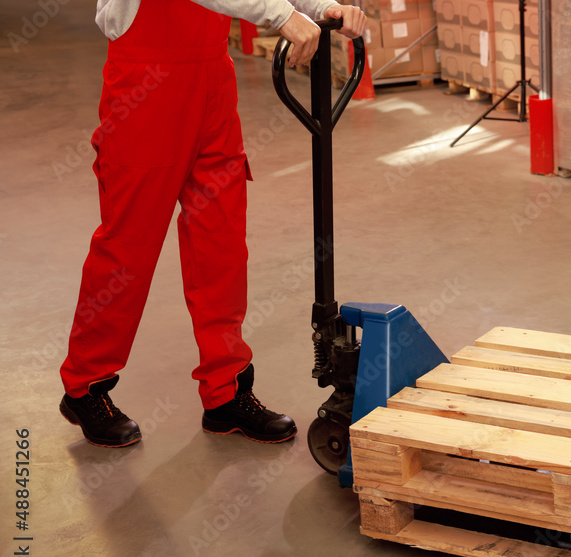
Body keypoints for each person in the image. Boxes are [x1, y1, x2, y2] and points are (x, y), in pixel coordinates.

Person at [59, 0, 366, 447]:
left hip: (212, 86)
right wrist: (280, 16)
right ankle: (85, 385)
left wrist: (321, 6)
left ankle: (226, 393)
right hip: (146, 87)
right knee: (128, 248)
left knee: (219, 244)